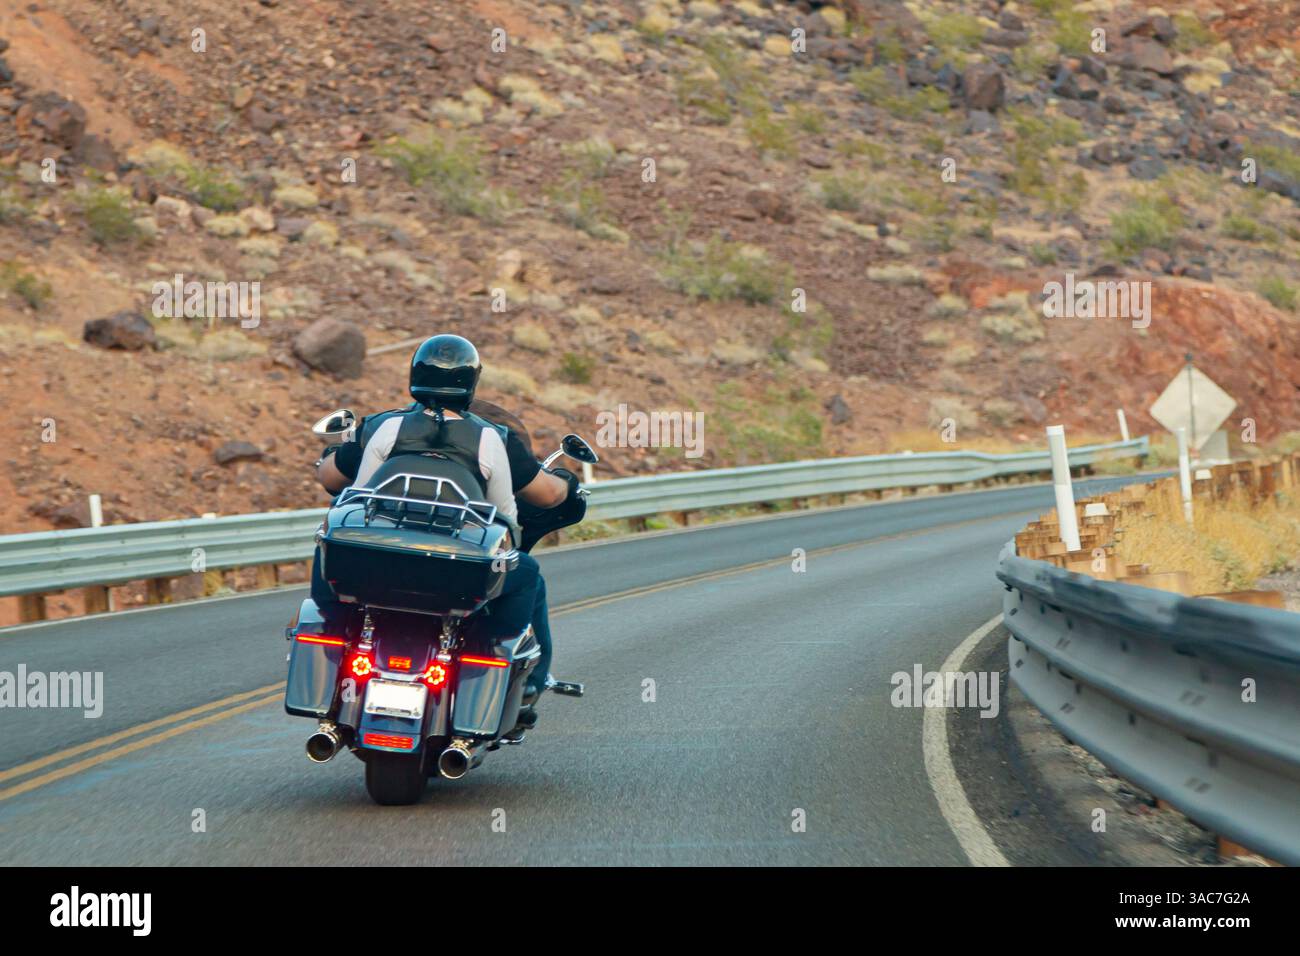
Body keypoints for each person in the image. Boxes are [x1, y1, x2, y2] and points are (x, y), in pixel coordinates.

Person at [312, 334, 570, 692]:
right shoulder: (490, 437)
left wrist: (329, 458)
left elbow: (356, 496)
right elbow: (505, 518)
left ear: (415, 373)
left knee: (330, 540)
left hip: (380, 559)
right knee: (527, 574)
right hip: (455, 568)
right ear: (471, 380)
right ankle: (500, 661)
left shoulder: (385, 426)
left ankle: (334, 627)